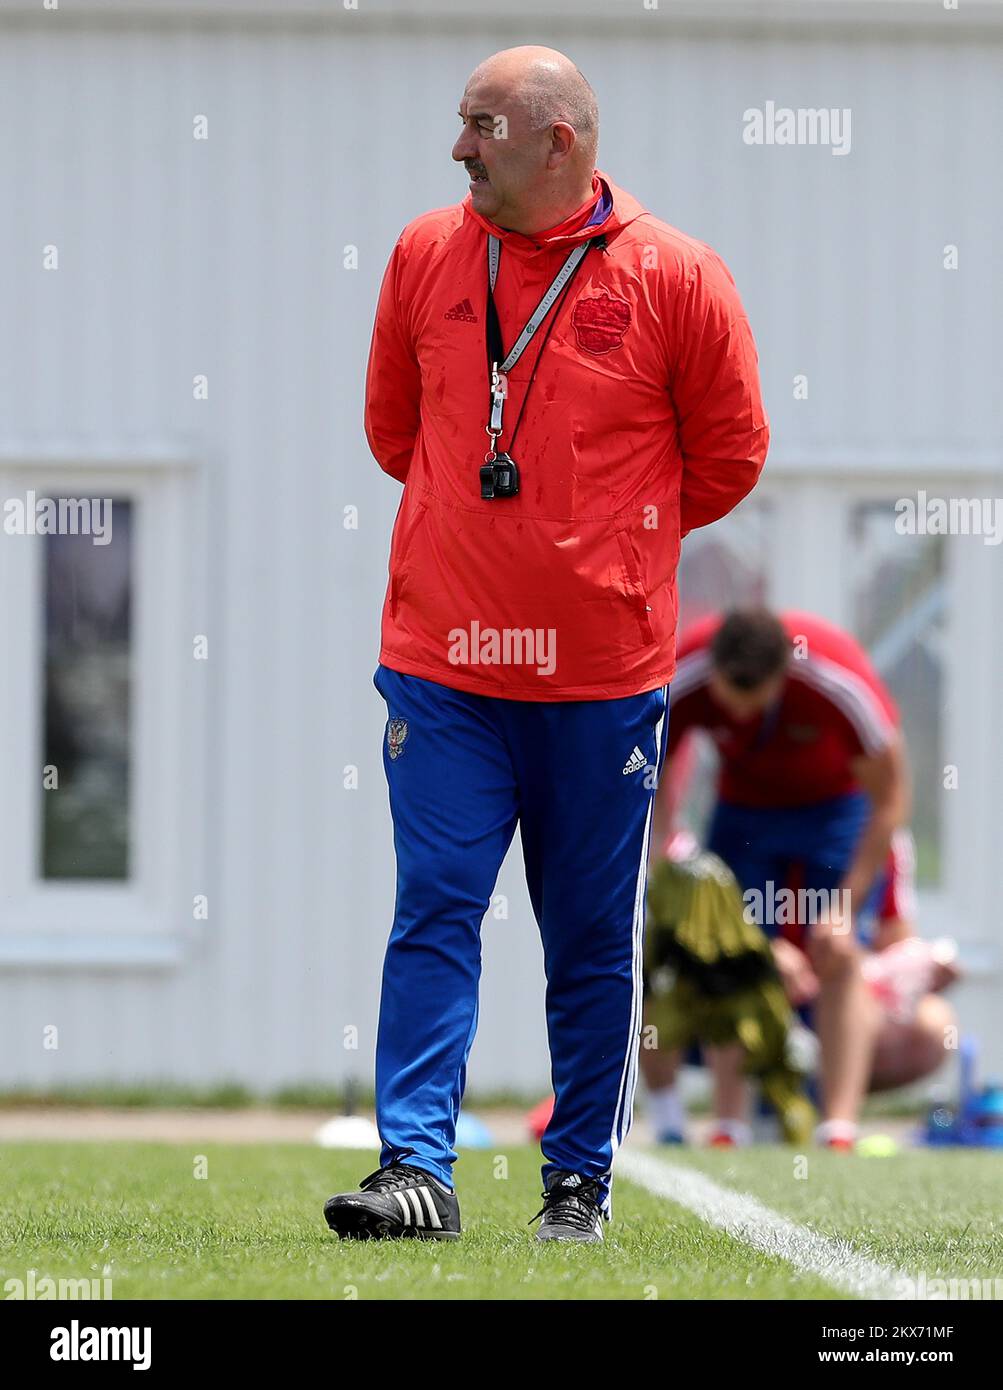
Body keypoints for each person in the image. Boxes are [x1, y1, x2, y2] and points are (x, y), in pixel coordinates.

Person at [323, 45, 768, 1243]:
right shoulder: (425, 255)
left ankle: (576, 1177)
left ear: (556, 140)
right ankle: (415, 1165)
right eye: (460, 124)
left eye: (479, 125)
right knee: (436, 902)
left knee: (585, 932)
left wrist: (602, 555)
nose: (458, 147)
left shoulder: (677, 275)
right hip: (444, 662)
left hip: (598, 681)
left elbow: (728, 458)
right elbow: (391, 434)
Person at [641, 608, 956, 1150]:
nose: (738, 713)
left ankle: (837, 1128)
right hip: (744, 812)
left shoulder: (837, 681)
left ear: (784, 677)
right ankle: (728, 1127)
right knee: (724, 954)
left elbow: (890, 798)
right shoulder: (683, 672)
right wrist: (663, 864)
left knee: (839, 952)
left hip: (835, 811)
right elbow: (650, 768)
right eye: (728, 699)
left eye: (753, 701)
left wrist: (844, 908)